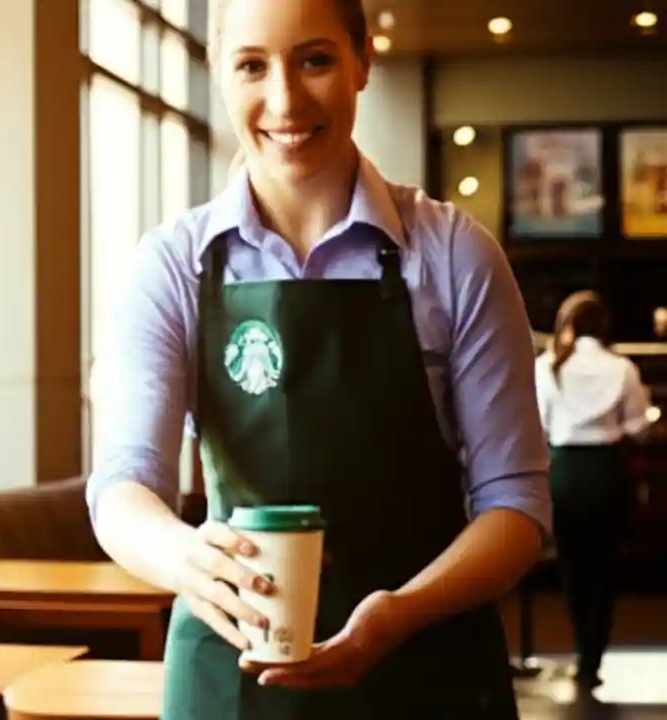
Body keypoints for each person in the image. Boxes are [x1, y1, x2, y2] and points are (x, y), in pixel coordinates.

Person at [84, 0, 552, 716]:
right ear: (217, 70)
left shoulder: (456, 255)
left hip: (427, 667)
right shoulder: (174, 267)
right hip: (228, 667)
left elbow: (517, 506)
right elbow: (122, 487)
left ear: (363, 59)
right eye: (251, 65)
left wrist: (398, 613)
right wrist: (190, 563)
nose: (284, 100)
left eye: (316, 60)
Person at [535, 291, 651, 690]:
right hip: (605, 470)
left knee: (571, 564)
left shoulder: (547, 366)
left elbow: (538, 424)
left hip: (564, 470)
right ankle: (592, 654)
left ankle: (580, 641)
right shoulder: (622, 368)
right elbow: (638, 426)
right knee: (604, 567)